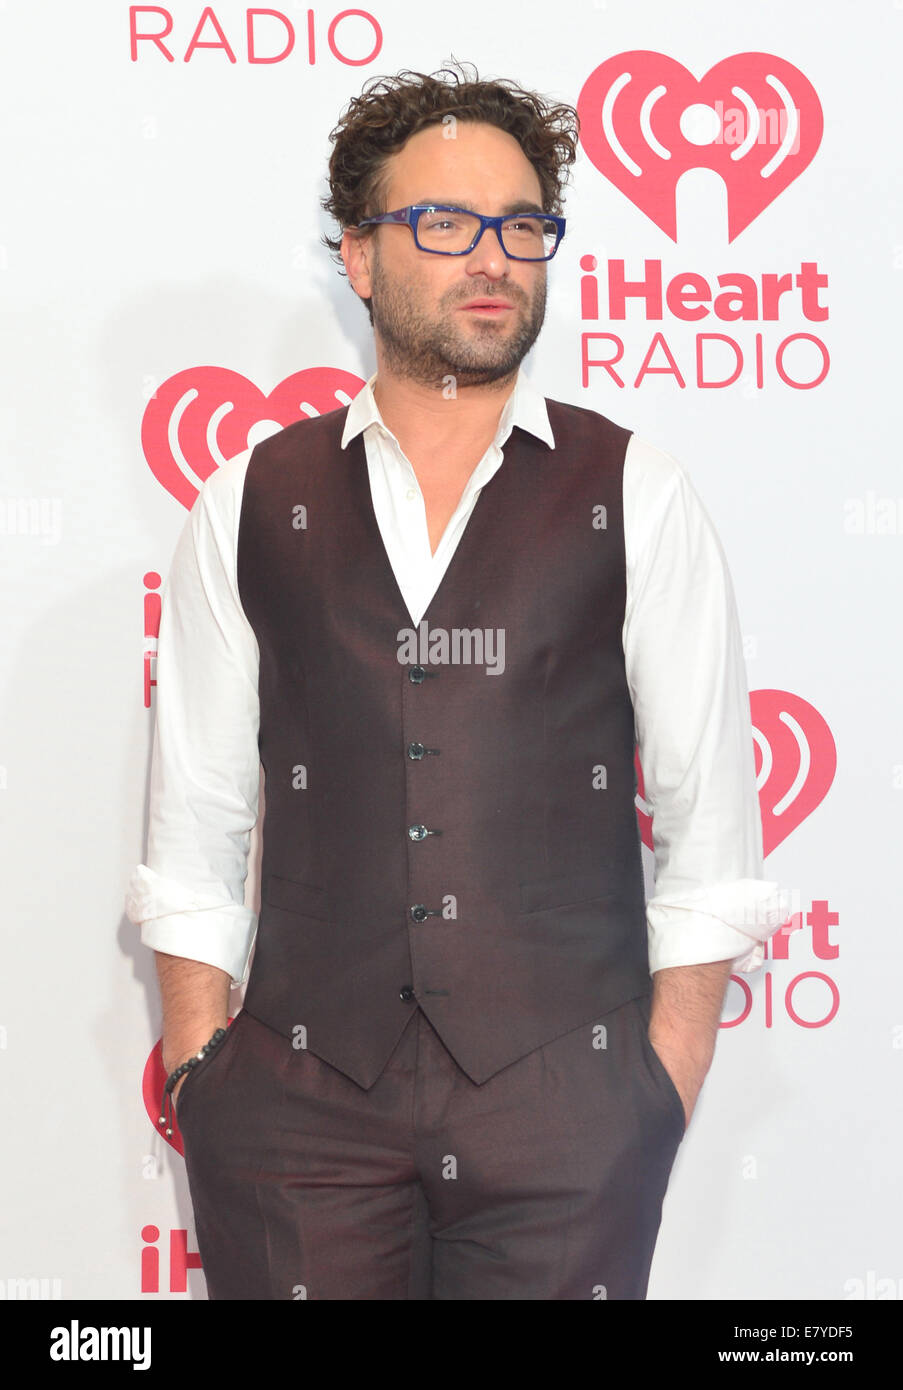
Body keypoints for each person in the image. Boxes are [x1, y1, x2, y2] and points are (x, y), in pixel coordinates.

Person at [125, 61, 786, 1300]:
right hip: (295, 1124)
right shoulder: (251, 503)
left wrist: (659, 1077)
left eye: (523, 225)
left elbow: (711, 823)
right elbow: (198, 815)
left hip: (569, 1117)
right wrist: (203, 1061)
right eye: (444, 224)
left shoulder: (636, 491)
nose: (492, 257)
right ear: (360, 258)